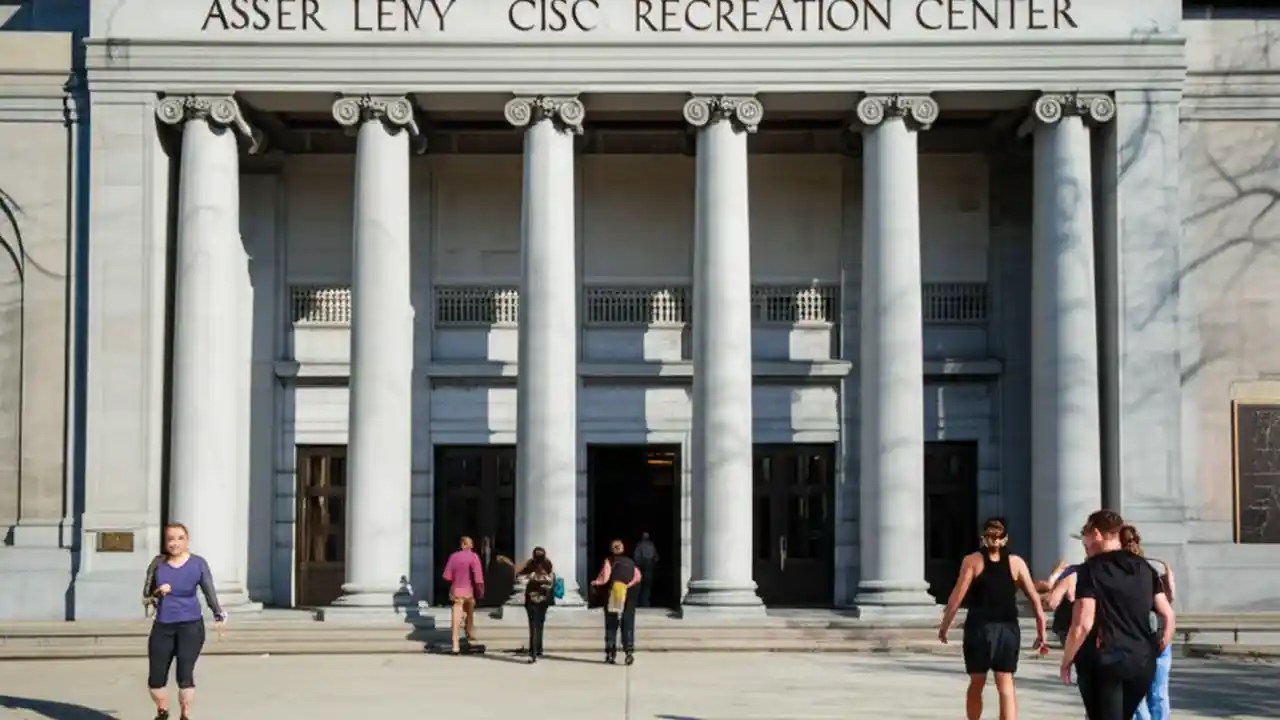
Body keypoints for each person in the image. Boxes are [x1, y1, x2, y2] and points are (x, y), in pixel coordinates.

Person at [1060, 510, 1176, 720]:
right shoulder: (1145, 567)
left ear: (1096, 533)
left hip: (1106, 662)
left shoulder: (1091, 570)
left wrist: (1067, 659)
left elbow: (1082, 623)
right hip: (1140, 662)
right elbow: (1167, 614)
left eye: (1084, 536)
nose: (1084, 543)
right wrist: (1158, 646)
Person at [937, 518, 1047, 720]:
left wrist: (944, 627)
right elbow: (1035, 599)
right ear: (1005, 539)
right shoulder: (1017, 563)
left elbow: (955, 599)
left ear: (983, 538)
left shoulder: (972, 562)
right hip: (1007, 629)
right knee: (1005, 683)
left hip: (979, 629)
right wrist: (1042, 631)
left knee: (977, 682)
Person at [141, 523, 226, 720]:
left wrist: (218, 613)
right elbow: (146, 596)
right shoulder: (158, 564)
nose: (175, 543)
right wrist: (157, 592)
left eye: (180, 538)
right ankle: (162, 710)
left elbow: (208, 590)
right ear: (165, 542)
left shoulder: (198, 564)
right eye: (170, 539)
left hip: (191, 625)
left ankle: (185, 714)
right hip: (163, 625)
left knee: (184, 674)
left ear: (187, 541)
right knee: (155, 678)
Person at [1123, 525, 1176, 720]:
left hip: (1138, 635)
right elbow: (1170, 598)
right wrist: (1166, 635)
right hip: (1160, 633)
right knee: (1159, 692)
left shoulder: (1124, 569)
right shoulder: (1158, 565)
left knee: (1135, 694)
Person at [500, 547, 556, 663]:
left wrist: (510, 564)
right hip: (544, 599)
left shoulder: (530, 565)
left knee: (532, 624)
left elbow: (518, 574)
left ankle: (533, 650)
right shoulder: (548, 564)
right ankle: (538, 649)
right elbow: (552, 579)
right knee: (540, 624)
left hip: (531, 598)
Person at [590, 539, 642, 665]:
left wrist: (595, 583)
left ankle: (610, 653)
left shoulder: (609, 561)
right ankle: (628, 652)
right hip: (628, 595)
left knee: (611, 624)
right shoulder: (631, 562)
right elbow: (638, 577)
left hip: (613, 595)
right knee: (628, 623)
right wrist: (627, 585)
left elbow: (605, 578)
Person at [441, 535, 485, 655]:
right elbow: (478, 577)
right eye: (470, 543)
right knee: (470, 608)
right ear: (466, 544)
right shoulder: (474, 557)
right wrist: (480, 590)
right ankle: (469, 631)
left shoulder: (453, 557)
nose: (471, 546)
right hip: (468, 590)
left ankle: (455, 643)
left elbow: (447, 576)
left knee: (457, 610)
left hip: (456, 589)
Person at [633, 532, 659, 608]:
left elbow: (636, 557)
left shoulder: (639, 545)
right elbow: (656, 557)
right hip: (648, 566)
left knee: (638, 585)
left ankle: (638, 603)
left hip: (641, 566)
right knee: (647, 586)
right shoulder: (651, 545)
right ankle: (645, 603)